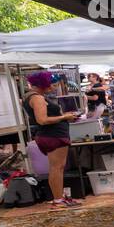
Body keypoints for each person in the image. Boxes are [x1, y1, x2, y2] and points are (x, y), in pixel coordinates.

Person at [24, 70, 80, 208]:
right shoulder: (37, 98)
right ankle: (58, 200)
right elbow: (42, 120)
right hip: (53, 135)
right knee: (56, 168)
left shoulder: (35, 96)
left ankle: (59, 197)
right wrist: (64, 117)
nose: (53, 87)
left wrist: (64, 116)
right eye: (51, 84)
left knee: (57, 168)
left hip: (52, 134)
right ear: (42, 84)